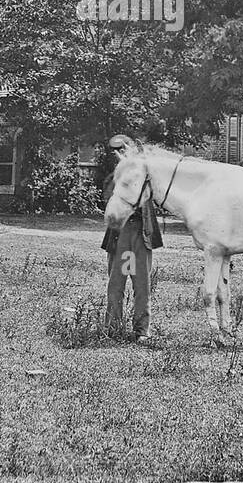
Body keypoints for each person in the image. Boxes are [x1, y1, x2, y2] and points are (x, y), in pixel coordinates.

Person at [101, 134, 163, 342]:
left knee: (142, 286)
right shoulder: (115, 178)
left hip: (141, 234)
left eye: (124, 149)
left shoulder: (147, 174)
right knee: (116, 285)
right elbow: (109, 196)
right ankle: (112, 327)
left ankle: (142, 330)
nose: (120, 153)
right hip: (120, 235)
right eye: (117, 151)